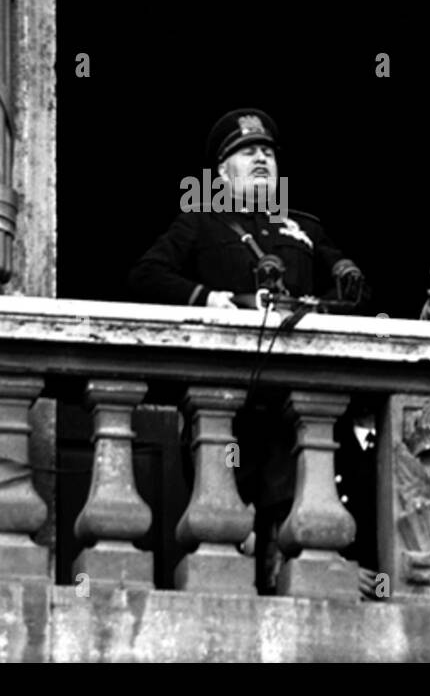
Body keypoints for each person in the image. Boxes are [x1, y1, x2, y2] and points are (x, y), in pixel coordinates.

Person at [127, 107, 375, 593]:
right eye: (246, 152)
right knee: (230, 528)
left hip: (295, 408)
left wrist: (341, 285)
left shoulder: (305, 227)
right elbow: (145, 276)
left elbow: (355, 293)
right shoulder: (200, 224)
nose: (260, 157)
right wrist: (210, 299)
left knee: (294, 521)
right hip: (230, 403)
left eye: (267, 152)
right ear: (222, 173)